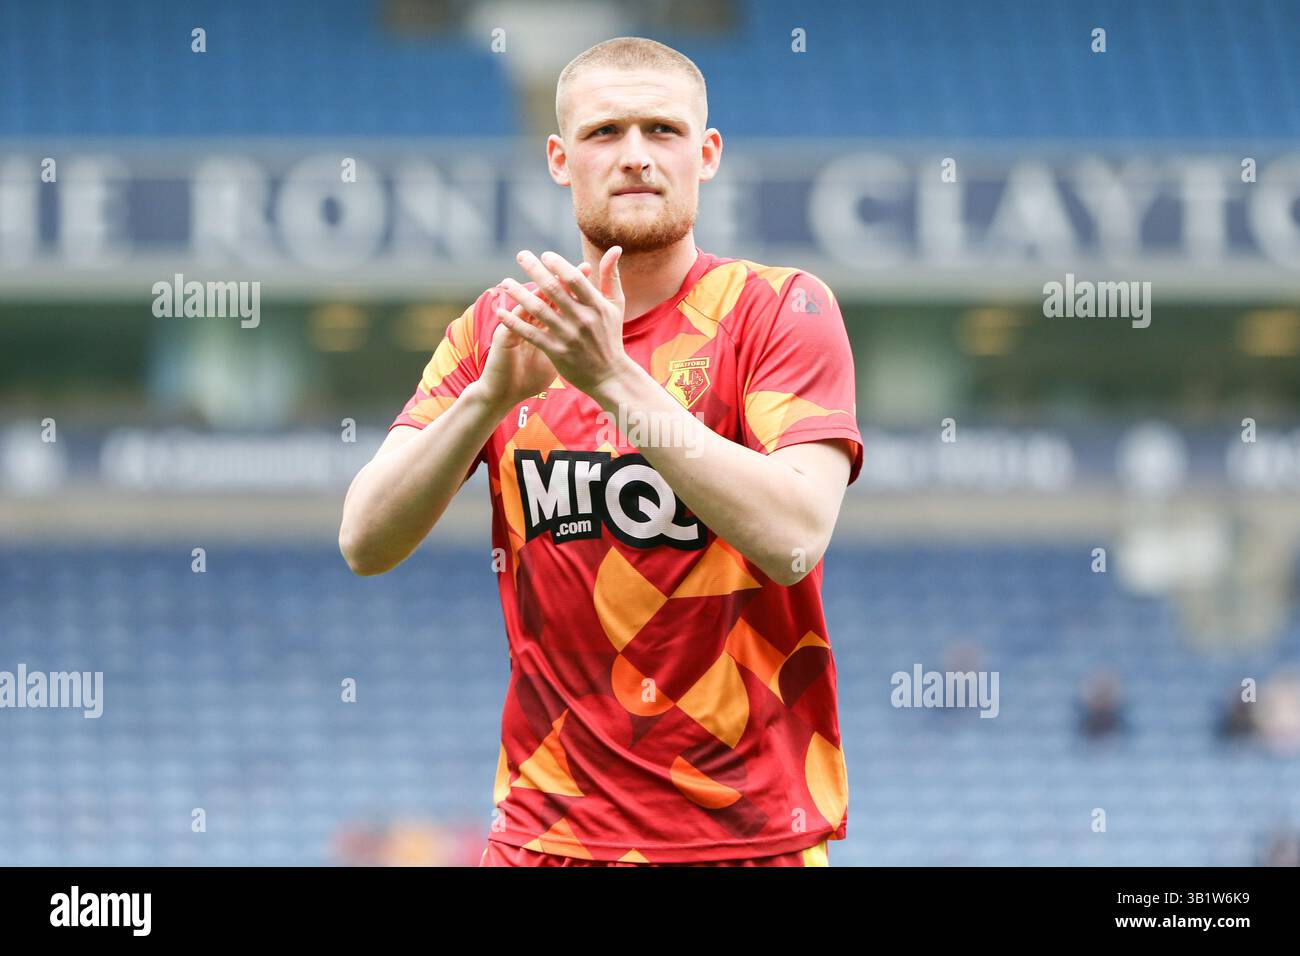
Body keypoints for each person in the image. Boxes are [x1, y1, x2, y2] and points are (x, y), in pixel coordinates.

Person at [339, 36, 863, 867]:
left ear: (707, 153)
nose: (635, 157)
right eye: (604, 133)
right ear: (558, 158)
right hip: (547, 838)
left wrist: (613, 377)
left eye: (662, 131)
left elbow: (796, 537)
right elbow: (364, 541)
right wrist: (489, 398)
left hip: (748, 838)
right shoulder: (498, 333)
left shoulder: (780, 310)